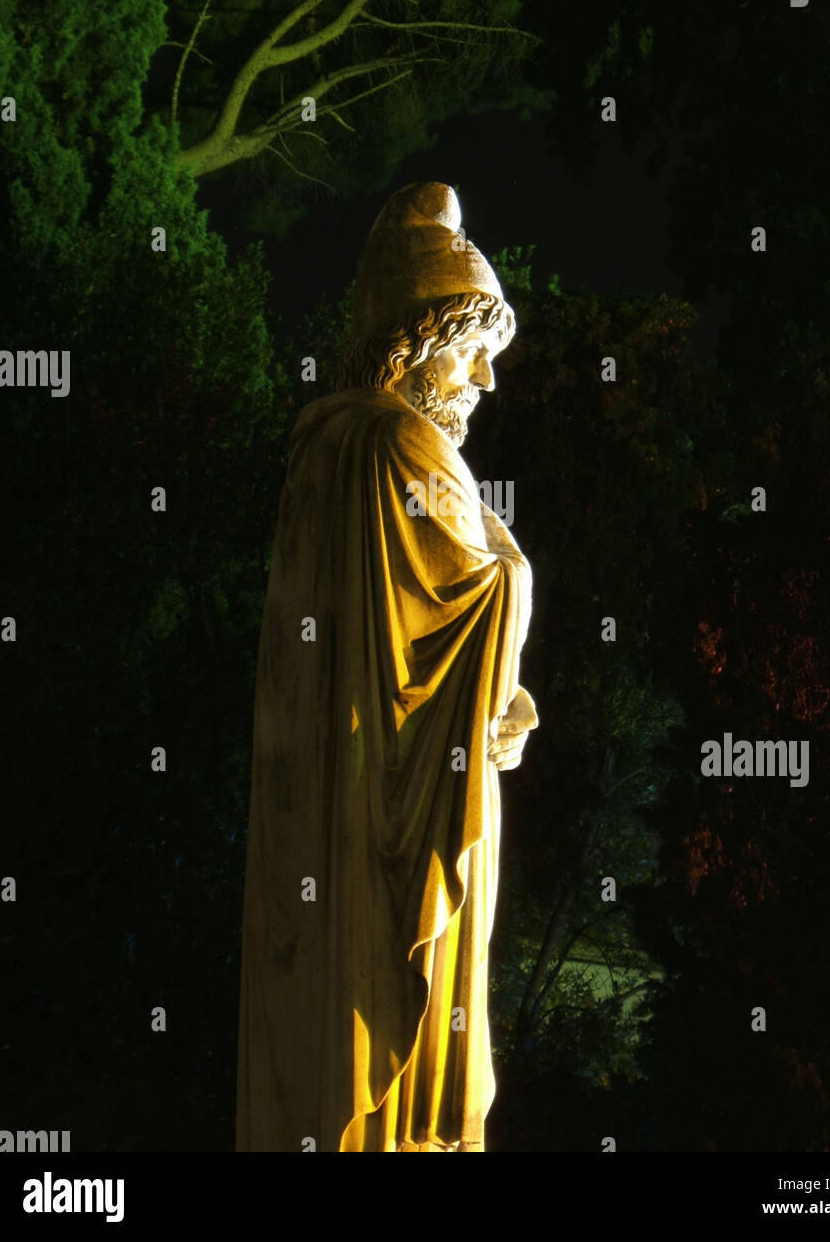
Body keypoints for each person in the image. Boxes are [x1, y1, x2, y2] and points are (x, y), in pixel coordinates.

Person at [236, 181, 537, 1152]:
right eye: (473, 348)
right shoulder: (402, 443)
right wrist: (514, 578)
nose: (485, 379)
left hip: (321, 826)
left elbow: (416, 634)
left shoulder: (321, 443)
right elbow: (472, 610)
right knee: (399, 1097)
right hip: (388, 832)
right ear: (414, 341)